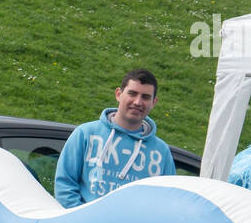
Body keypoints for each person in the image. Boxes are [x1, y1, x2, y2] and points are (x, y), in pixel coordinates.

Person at [54, 69, 176, 208]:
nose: (137, 102)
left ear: (154, 102)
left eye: (145, 97)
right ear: (118, 94)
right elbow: (64, 185)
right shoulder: (85, 133)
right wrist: (82, 220)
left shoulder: (161, 153)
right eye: (132, 93)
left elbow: (166, 201)